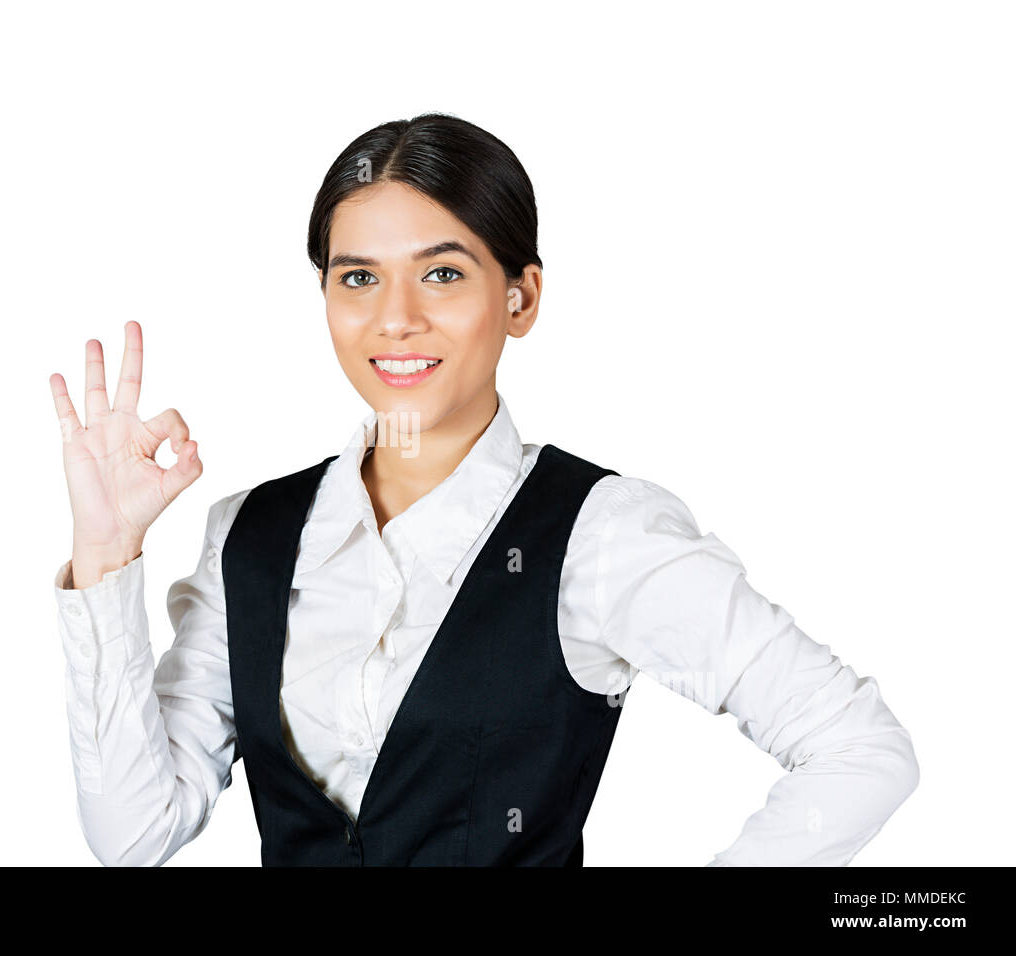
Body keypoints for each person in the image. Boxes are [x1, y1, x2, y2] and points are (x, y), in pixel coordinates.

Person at [46, 113, 920, 866]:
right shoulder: (250, 533)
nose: (396, 317)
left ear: (521, 296)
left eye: (442, 272)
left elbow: (859, 748)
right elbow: (135, 833)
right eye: (358, 277)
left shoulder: (601, 534)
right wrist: (105, 554)